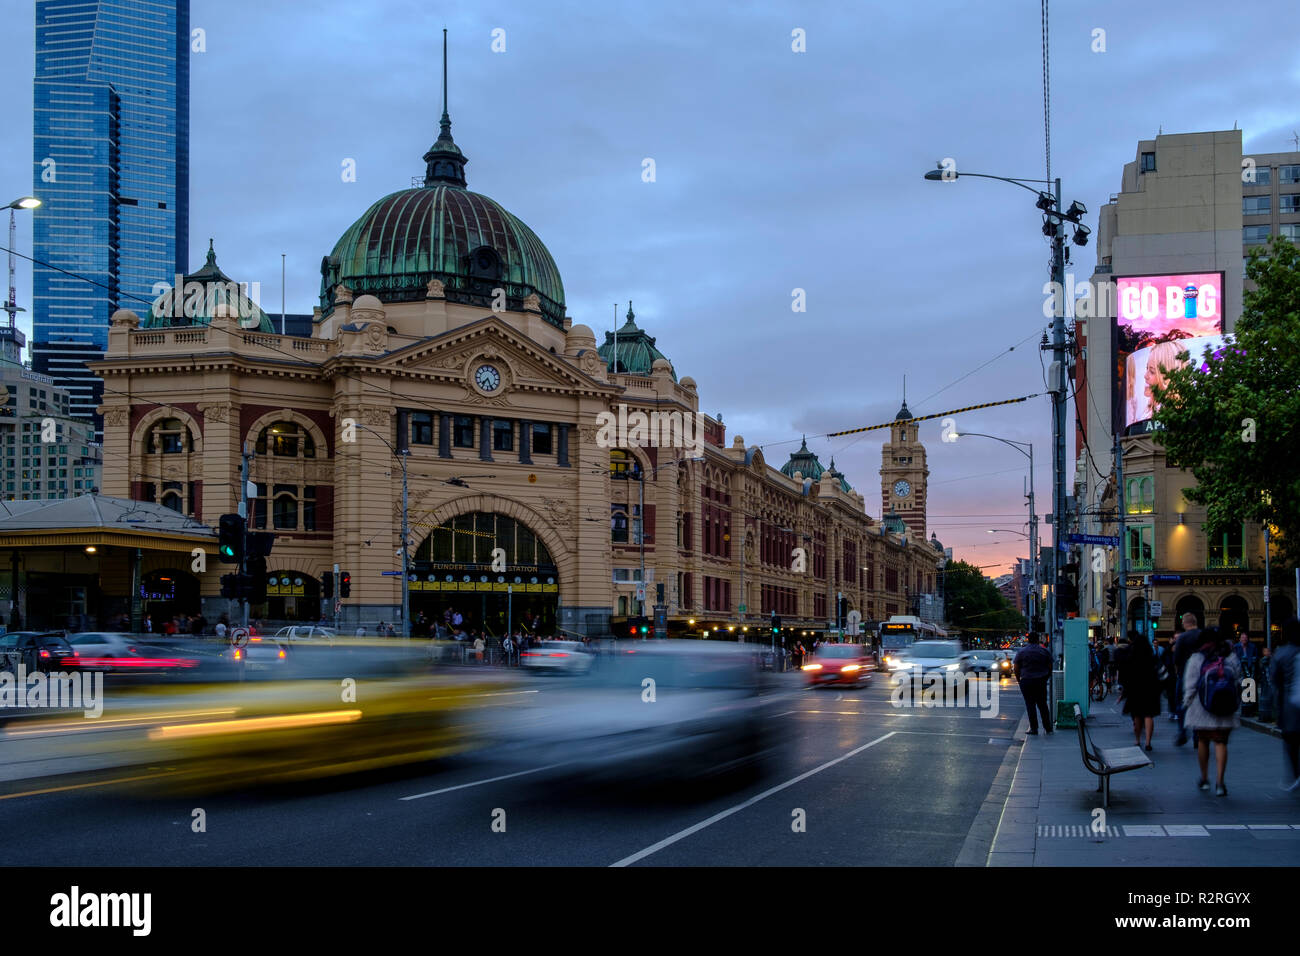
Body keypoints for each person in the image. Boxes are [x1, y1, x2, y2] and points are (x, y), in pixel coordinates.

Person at [1182, 627, 1241, 796]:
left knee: (1203, 741)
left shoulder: (1197, 657)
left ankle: (1205, 778)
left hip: (1202, 707)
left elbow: (1190, 685)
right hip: (1225, 708)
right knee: (1221, 742)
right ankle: (1220, 783)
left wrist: (1187, 703)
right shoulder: (1230, 656)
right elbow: (1238, 680)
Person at [1117, 633, 1162, 750]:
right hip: (1150, 690)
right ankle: (1148, 742)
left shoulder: (1131, 658)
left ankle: (1137, 740)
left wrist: (1124, 693)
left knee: (1137, 716)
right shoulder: (1152, 658)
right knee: (1149, 716)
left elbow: (1127, 677)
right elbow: (1159, 674)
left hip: (1135, 691)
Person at [1270, 618, 1300, 791]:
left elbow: (1275, 680)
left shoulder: (1281, 653)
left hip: (1291, 706)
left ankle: (1296, 774)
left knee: (1291, 742)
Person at [1013, 633, 1054, 735]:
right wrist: (1045, 678)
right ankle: (1047, 727)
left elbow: (1016, 668)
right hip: (1040, 680)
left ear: (1028, 640)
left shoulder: (1022, 652)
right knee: (1042, 704)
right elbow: (1050, 667)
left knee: (1030, 705)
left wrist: (1019, 680)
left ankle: (1034, 728)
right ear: (1038, 639)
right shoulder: (1044, 651)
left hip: (1027, 681)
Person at [1172, 612, 1203, 746]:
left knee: (1182, 703)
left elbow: (1177, 659)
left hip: (1185, 674)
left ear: (1185, 623)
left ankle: (1182, 732)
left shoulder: (1183, 638)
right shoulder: (1203, 635)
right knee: (1199, 705)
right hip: (1202, 675)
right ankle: (1197, 736)